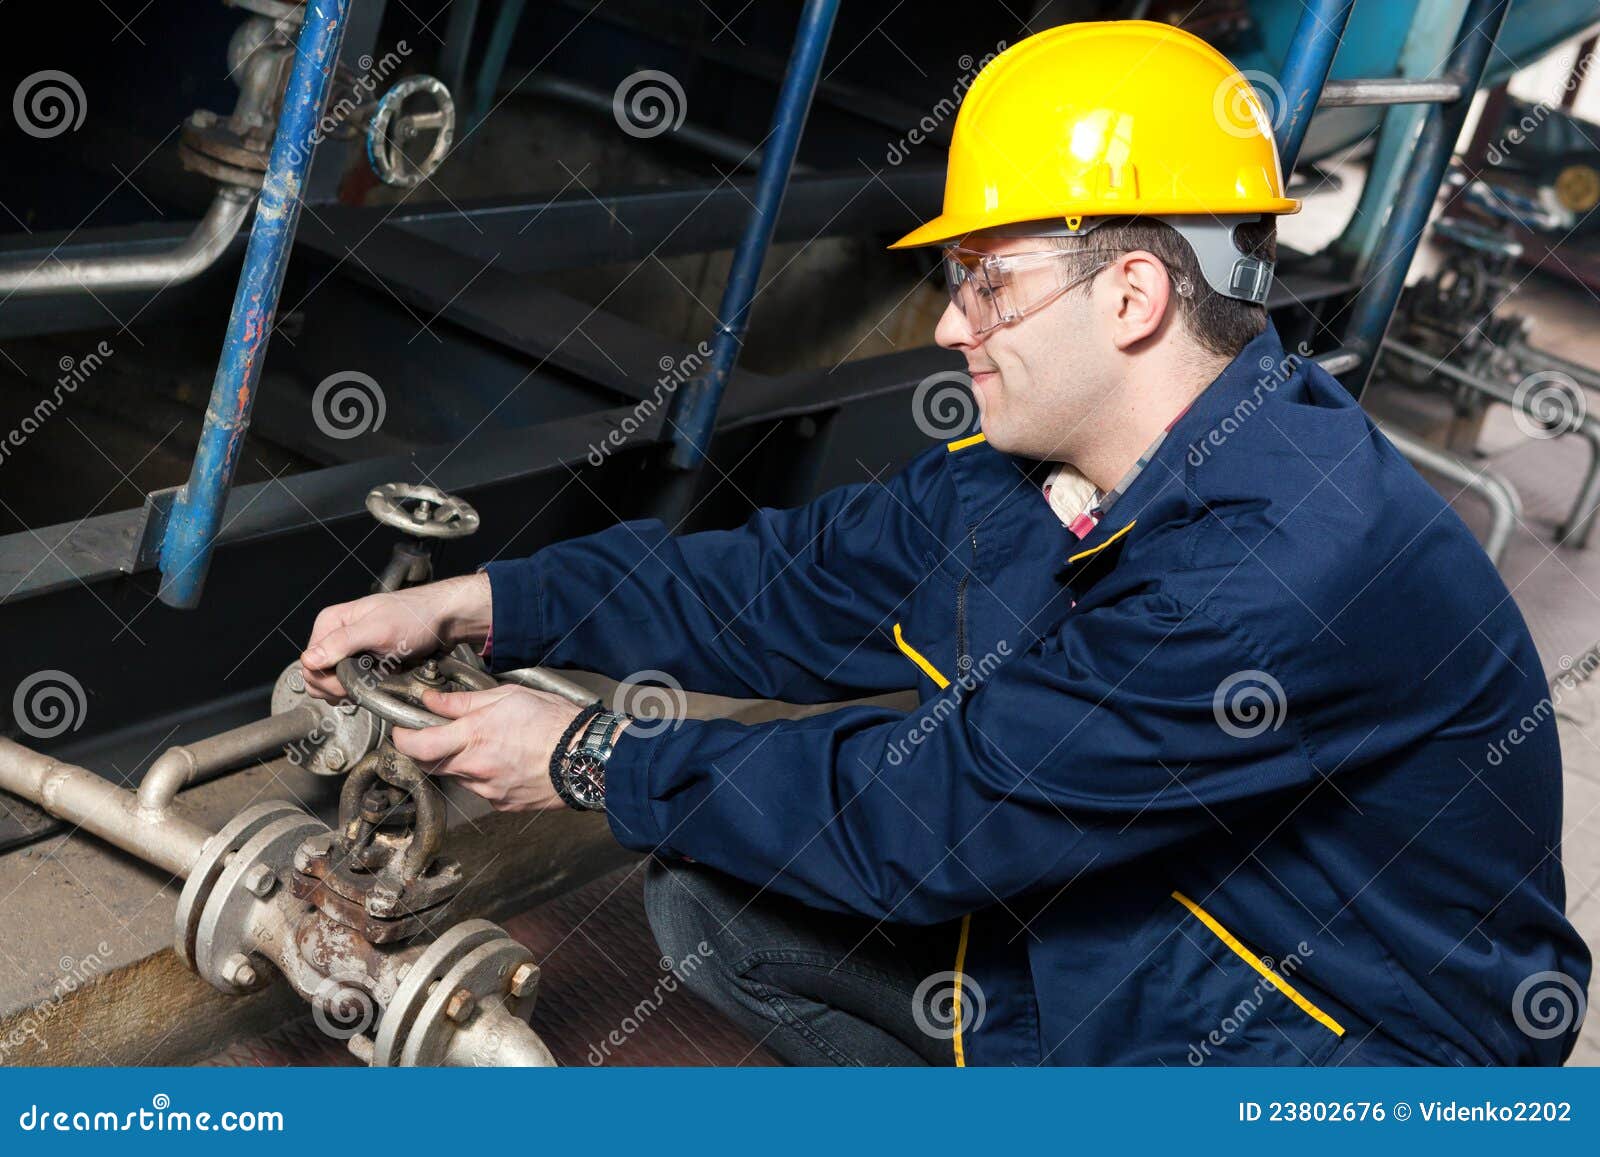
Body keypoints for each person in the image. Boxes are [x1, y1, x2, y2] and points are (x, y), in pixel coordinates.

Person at [301, 21, 1591, 1065]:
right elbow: (779, 584)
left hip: (1349, 1051)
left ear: (1134, 293)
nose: (951, 326)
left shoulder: (1285, 564)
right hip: (1174, 937)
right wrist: (490, 603)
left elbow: (943, 817)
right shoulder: (1048, 473)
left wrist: (589, 754)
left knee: (793, 842)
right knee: (722, 902)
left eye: (991, 283)